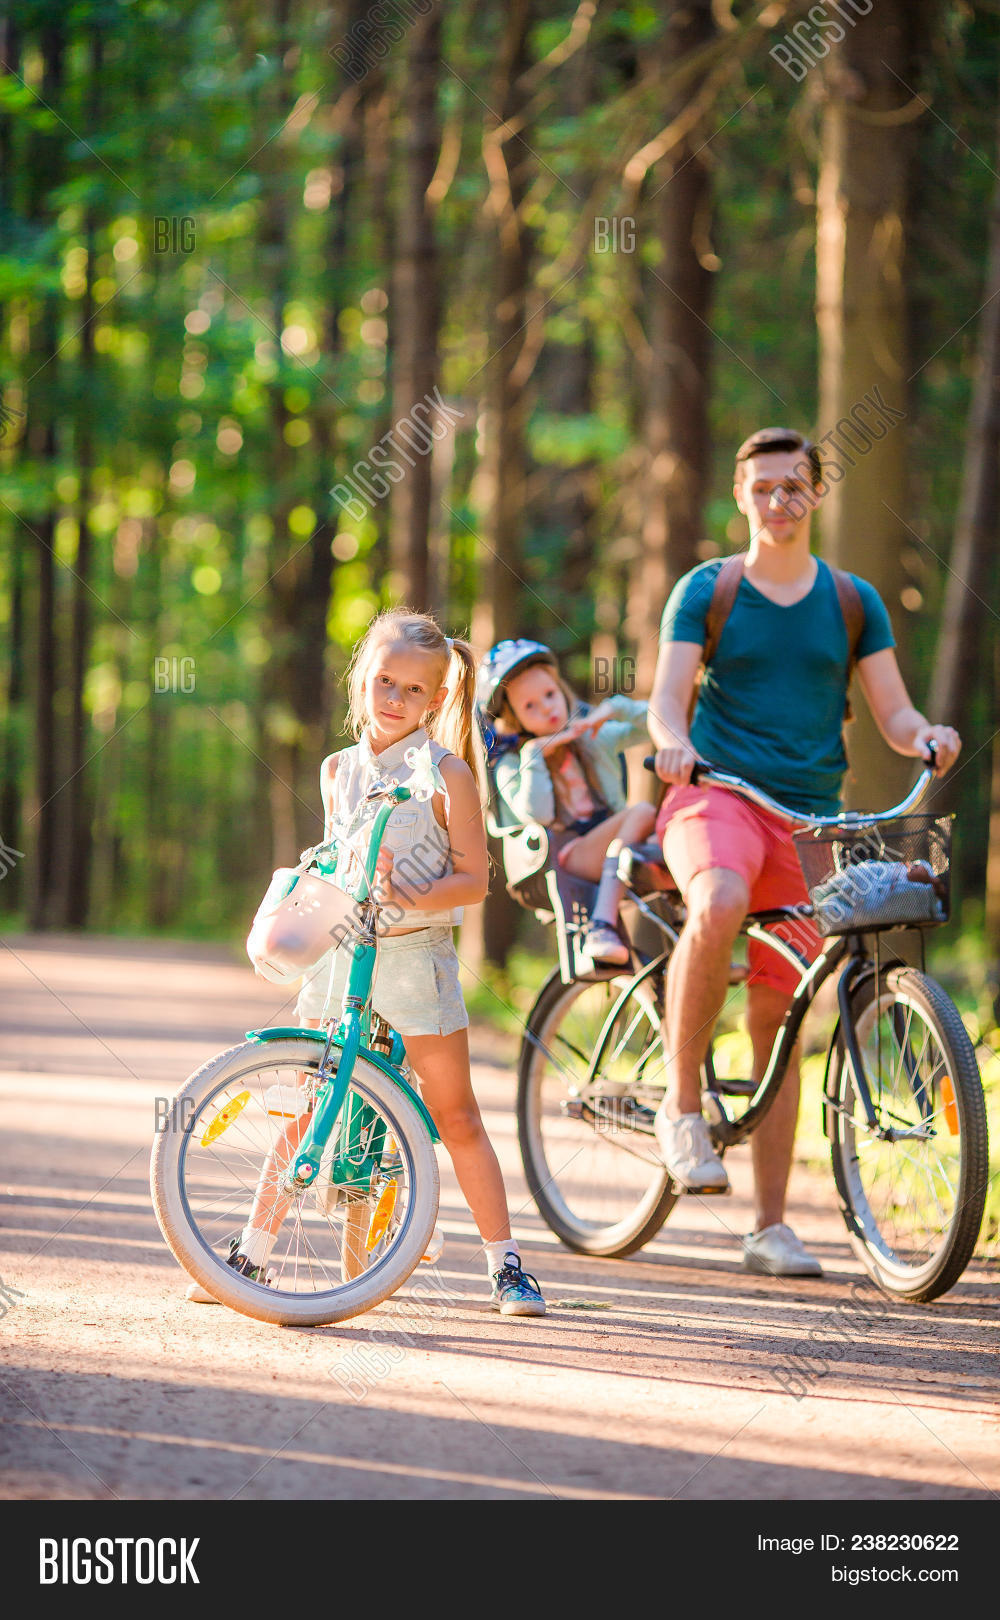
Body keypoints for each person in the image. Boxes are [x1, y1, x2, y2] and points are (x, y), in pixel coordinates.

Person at [648, 426, 961, 1277]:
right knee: (715, 903)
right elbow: (667, 701)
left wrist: (924, 733)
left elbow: (892, 714)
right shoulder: (708, 591)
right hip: (715, 797)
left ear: (817, 494)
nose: (779, 501)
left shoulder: (852, 600)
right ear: (740, 496)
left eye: (794, 486)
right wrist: (674, 746)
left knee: (780, 1018)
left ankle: (771, 1226)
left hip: (807, 825)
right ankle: (681, 1108)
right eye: (763, 487)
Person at [190, 609, 545, 1317]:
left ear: (438, 699)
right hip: (344, 957)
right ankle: (251, 1253)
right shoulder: (335, 772)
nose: (394, 699)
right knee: (310, 1104)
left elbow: (475, 881)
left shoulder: (448, 775)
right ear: (360, 681)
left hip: (416, 962)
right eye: (384, 681)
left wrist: (407, 889)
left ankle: (507, 1267)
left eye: (414, 690)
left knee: (455, 1112)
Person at [479, 638, 656, 965]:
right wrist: (535, 756)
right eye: (530, 705)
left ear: (561, 690)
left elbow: (660, 725)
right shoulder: (512, 764)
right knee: (644, 812)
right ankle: (601, 924)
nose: (547, 707)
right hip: (567, 857)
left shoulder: (592, 738)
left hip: (608, 846)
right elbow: (539, 814)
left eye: (549, 695)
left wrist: (615, 708)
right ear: (514, 718)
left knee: (671, 828)